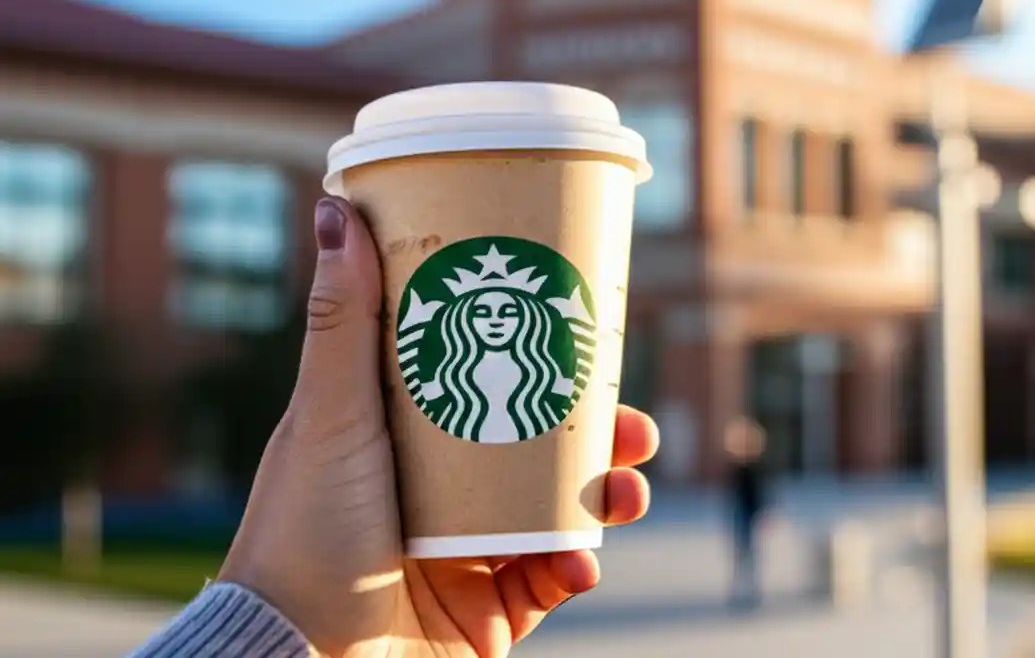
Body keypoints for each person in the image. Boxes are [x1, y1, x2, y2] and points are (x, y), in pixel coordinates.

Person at [130, 197, 659, 657]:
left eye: (509, 311)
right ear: (459, 322)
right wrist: (294, 616)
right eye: (481, 312)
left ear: (532, 320)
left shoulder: (534, 378)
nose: (496, 321)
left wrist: (295, 628)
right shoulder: (456, 380)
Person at [723, 415, 768, 610]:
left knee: (750, 555)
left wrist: (765, 512)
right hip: (741, 514)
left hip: (750, 514)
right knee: (743, 554)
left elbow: (761, 493)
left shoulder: (756, 467)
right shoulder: (739, 467)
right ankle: (741, 590)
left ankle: (750, 590)